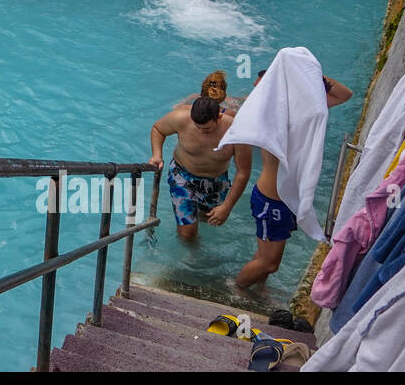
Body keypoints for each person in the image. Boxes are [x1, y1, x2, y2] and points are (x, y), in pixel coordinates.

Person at [235, 69, 353, 288]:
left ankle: (258, 289)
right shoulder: (268, 115)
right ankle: (235, 291)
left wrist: (309, 72)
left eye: (262, 84)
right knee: (269, 263)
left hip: (288, 199)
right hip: (272, 201)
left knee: (268, 258)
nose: (254, 86)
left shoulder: (299, 111)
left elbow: (345, 94)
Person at [148, 96, 252, 240]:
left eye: (208, 128)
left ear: (219, 117)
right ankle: (188, 259)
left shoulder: (237, 131)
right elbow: (158, 129)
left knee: (207, 219)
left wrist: (227, 207)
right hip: (182, 177)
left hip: (216, 181)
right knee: (187, 233)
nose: (202, 132)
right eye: (198, 127)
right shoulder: (181, 117)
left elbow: (243, 172)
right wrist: (157, 155)